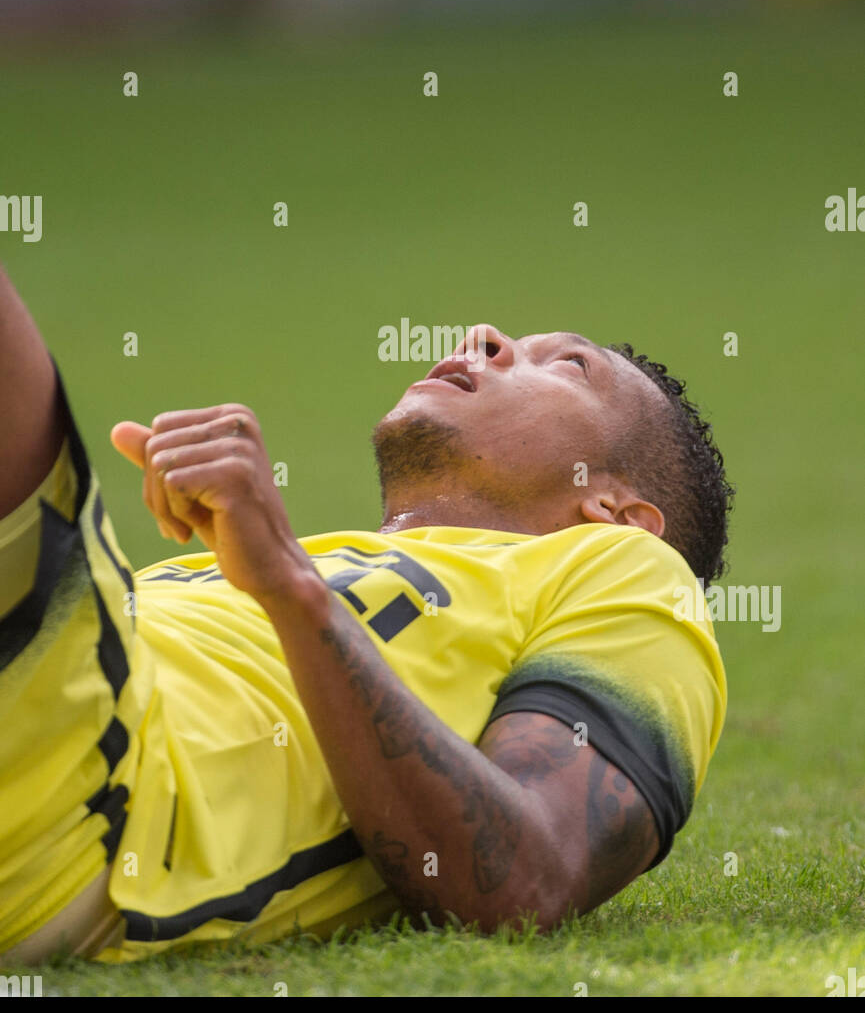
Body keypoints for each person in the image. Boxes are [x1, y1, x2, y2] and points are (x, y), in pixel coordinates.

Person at [0, 266, 731, 963]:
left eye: (569, 366)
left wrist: (288, 585)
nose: (483, 335)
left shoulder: (625, 572)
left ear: (613, 511)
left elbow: (528, 881)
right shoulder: (248, 563)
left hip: (98, 800)